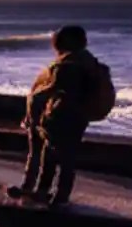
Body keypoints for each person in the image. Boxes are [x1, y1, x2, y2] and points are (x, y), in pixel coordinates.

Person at [11, 25, 110, 207]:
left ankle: (46, 193)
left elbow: (50, 91)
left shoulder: (67, 65)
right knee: (66, 158)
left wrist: (33, 112)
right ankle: (57, 195)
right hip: (79, 117)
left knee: (51, 157)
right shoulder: (90, 63)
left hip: (61, 117)